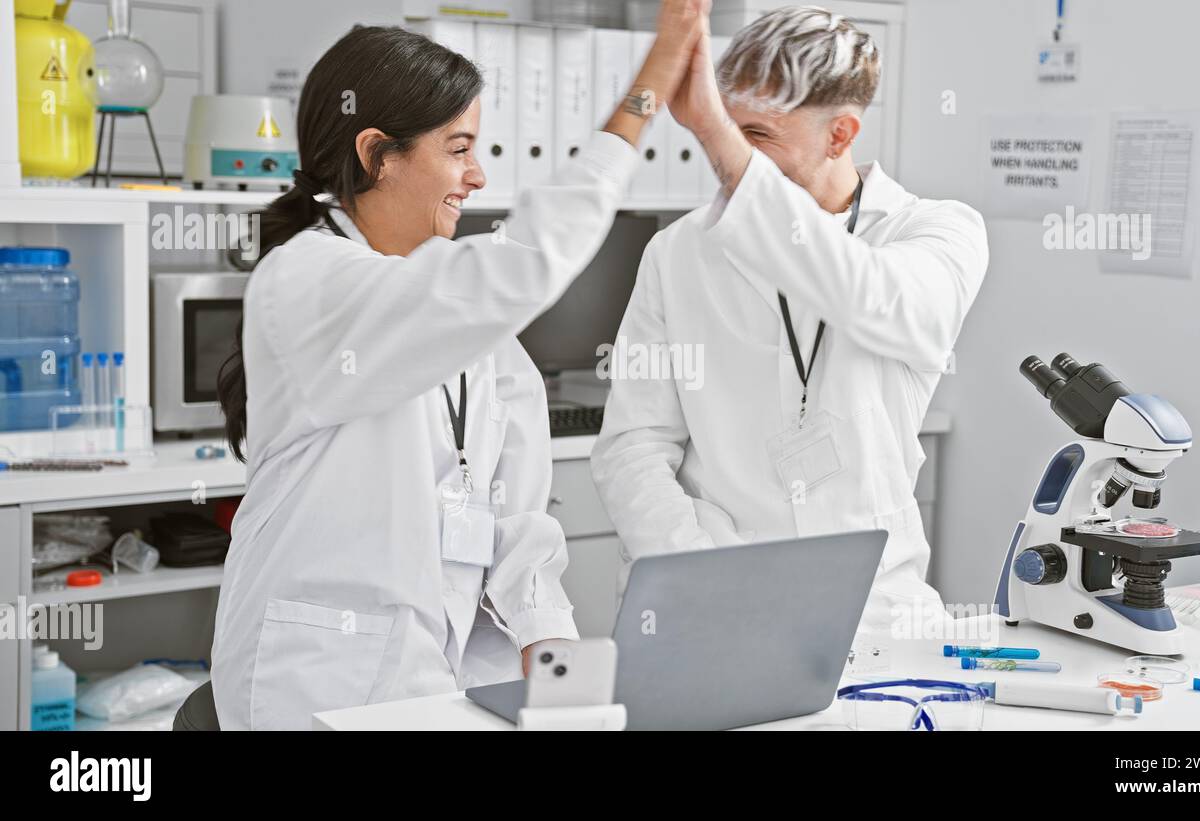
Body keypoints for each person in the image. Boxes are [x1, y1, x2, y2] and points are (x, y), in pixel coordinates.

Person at [211, 2, 711, 730]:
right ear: (377, 153)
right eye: (458, 147)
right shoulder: (308, 281)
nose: (477, 176)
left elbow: (515, 525)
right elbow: (520, 265)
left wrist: (560, 672)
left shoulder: (470, 329)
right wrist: (649, 88)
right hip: (315, 690)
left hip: (433, 682)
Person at [592, 6, 990, 629]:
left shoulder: (934, 231)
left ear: (840, 134)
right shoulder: (679, 252)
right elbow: (634, 447)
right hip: (707, 599)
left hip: (873, 610)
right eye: (727, 128)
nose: (727, 159)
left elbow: (870, 294)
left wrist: (716, 132)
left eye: (758, 135)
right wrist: (696, 569)